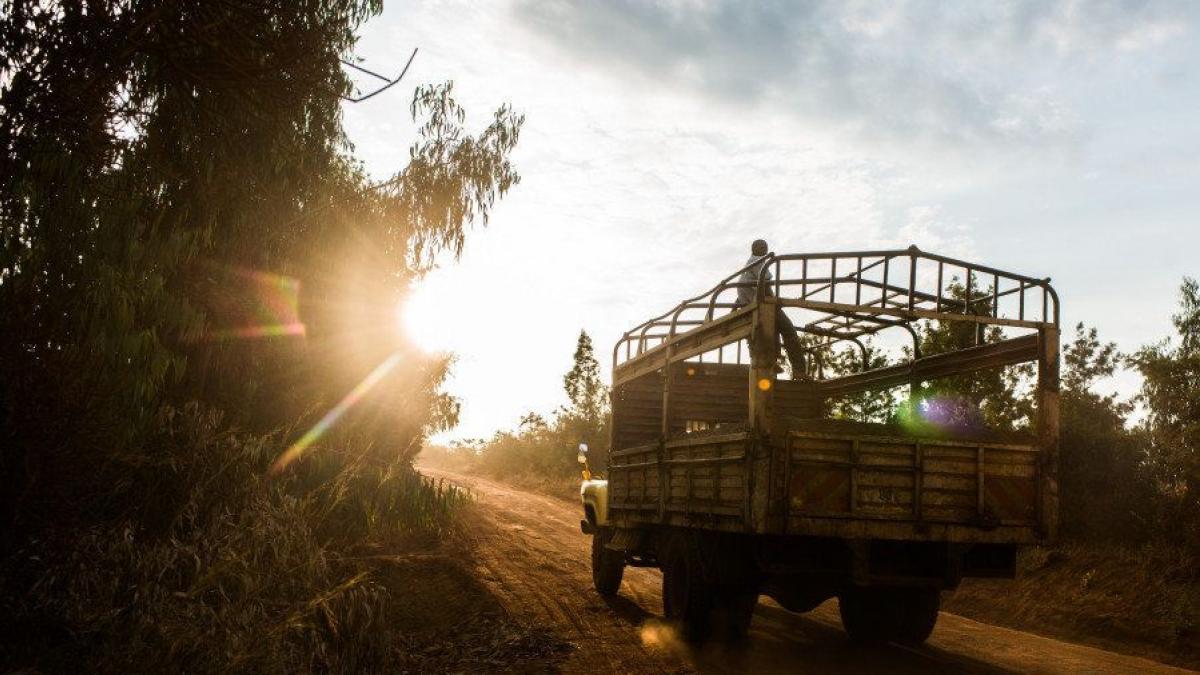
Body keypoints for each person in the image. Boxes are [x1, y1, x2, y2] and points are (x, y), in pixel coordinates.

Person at [735, 239, 808, 379]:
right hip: (761, 305)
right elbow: (765, 283)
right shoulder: (758, 262)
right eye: (762, 247)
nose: (765, 250)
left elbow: (744, 291)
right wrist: (776, 302)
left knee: (771, 328)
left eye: (765, 247)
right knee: (789, 331)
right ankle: (799, 370)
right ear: (755, 249)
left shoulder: (748, 266)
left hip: (751, 307)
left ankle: (771, 361)